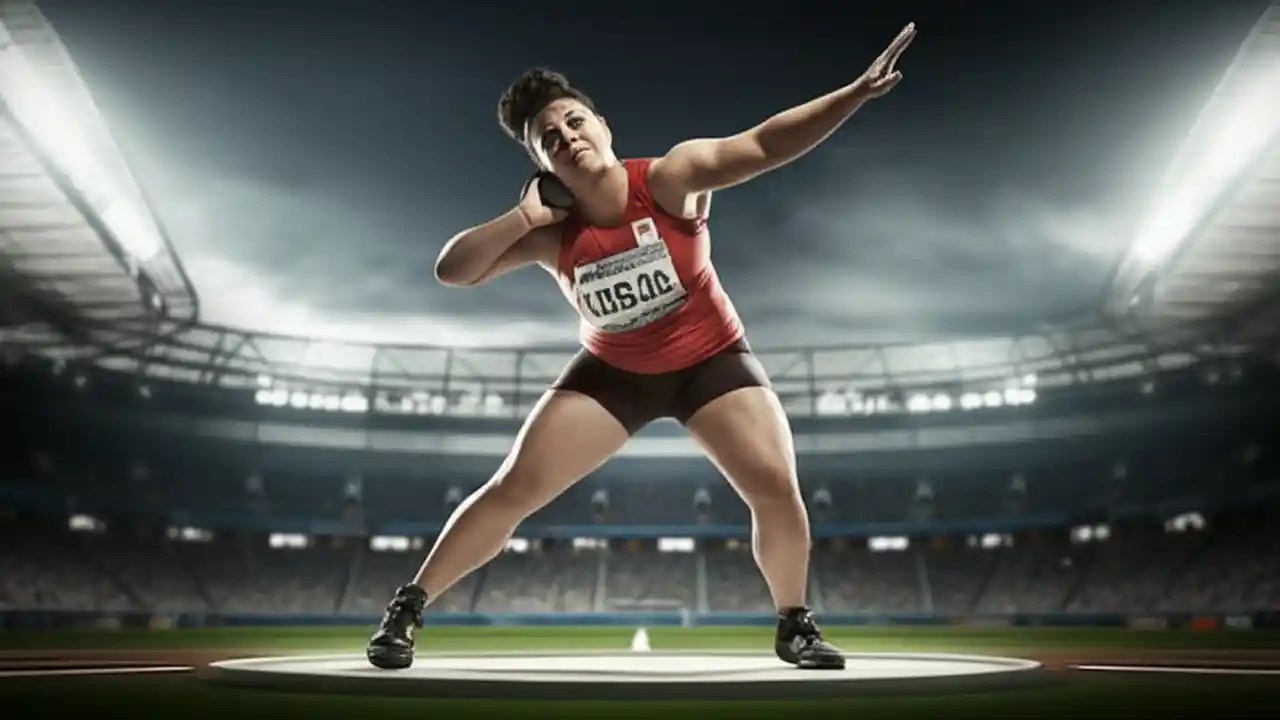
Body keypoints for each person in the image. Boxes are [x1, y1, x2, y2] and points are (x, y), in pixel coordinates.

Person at [367, 22, 917, 671]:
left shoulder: (670, 179)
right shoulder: (552, 235)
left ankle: (794, 624)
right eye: (549, 139)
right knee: (514, 487)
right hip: (614, 372)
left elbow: (765, 143)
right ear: (542, 167)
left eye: (574, 122)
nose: (567, 138)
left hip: (711, 361)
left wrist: (852, 94)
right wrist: (524, 217)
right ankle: (407, 609)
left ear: (601, 125)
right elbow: (453, 271)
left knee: (774, 484)